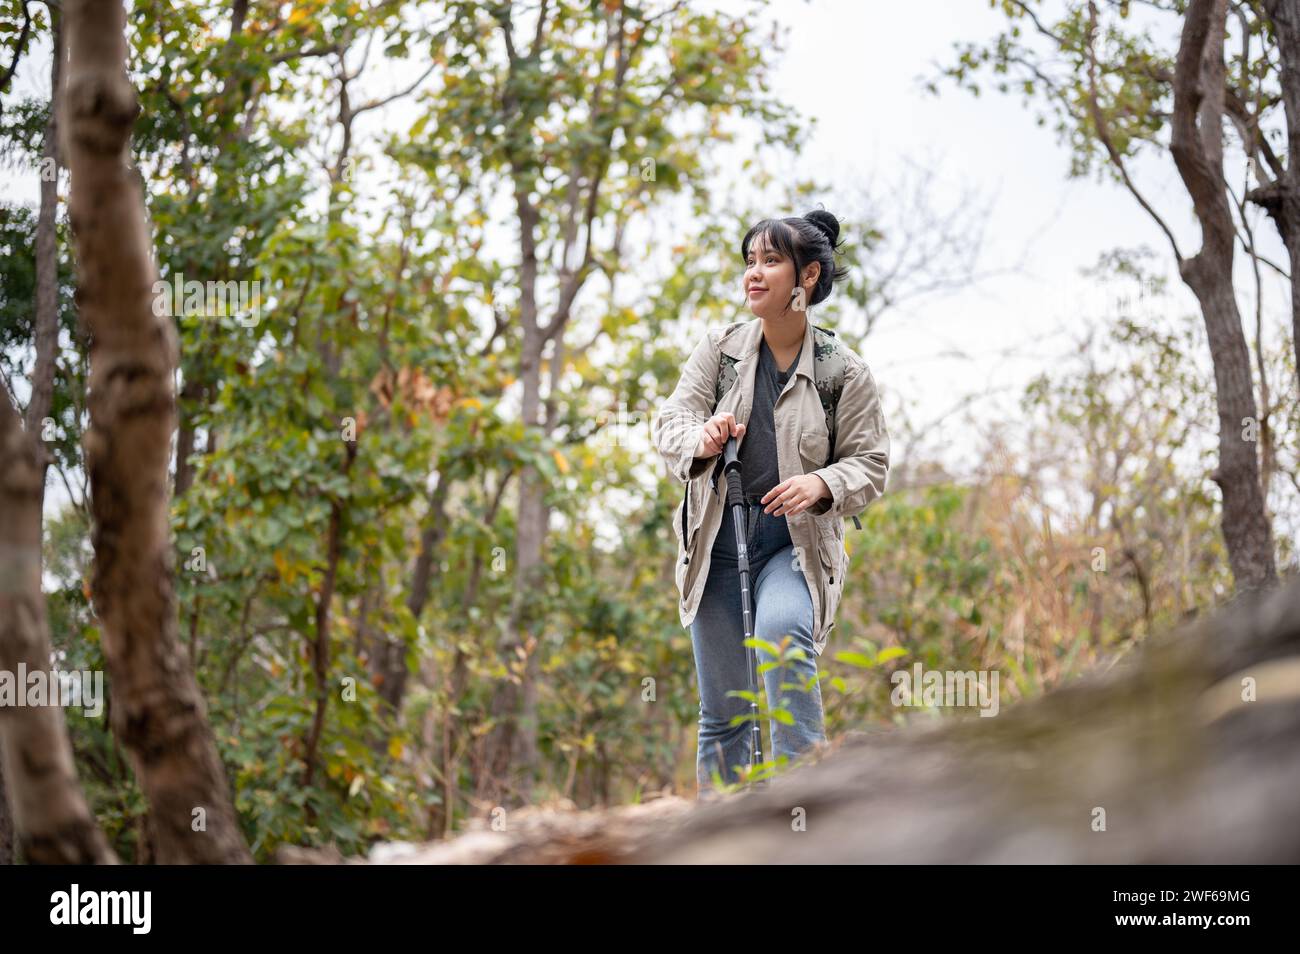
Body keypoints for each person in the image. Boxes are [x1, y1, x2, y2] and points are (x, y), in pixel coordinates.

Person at [652, 209, 891, 798]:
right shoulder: (721, 350)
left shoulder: (843, 372)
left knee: (786, 641)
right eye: (750, 261)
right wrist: (701, 437)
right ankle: (722, 838)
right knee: (726, 709)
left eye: (771, 261)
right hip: (716, 547)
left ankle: (801, 816)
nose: (753, 275)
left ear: (807, 277)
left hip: (793, 547)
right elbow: (670, 421)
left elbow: (871, 462)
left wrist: (822, 485)